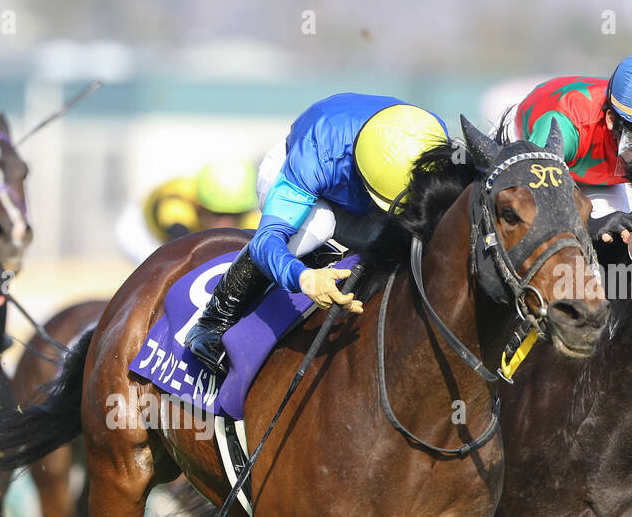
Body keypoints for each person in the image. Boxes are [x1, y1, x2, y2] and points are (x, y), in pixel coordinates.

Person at [185, 94, 448, 375]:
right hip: (295, 171)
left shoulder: (430, 139)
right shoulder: (318, 152)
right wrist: (303, 278)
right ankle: (213, 320)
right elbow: (267, 240)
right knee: (319, 224)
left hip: (370, 194)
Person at [514, 48, 632, 245]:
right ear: (611, 119)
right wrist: (589, 226)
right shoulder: (565, 125)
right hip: (531, 147)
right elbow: (532, 199)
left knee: (622, 240)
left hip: (601, 174)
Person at [115, 159, 261, 265]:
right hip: (143, 231)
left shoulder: (253, 217)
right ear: (199, 205)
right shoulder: (177, 206)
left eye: (236, 215)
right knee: (163, 269)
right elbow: (181, 249)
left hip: (192, 234)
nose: (226, 223)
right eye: (217, 214)